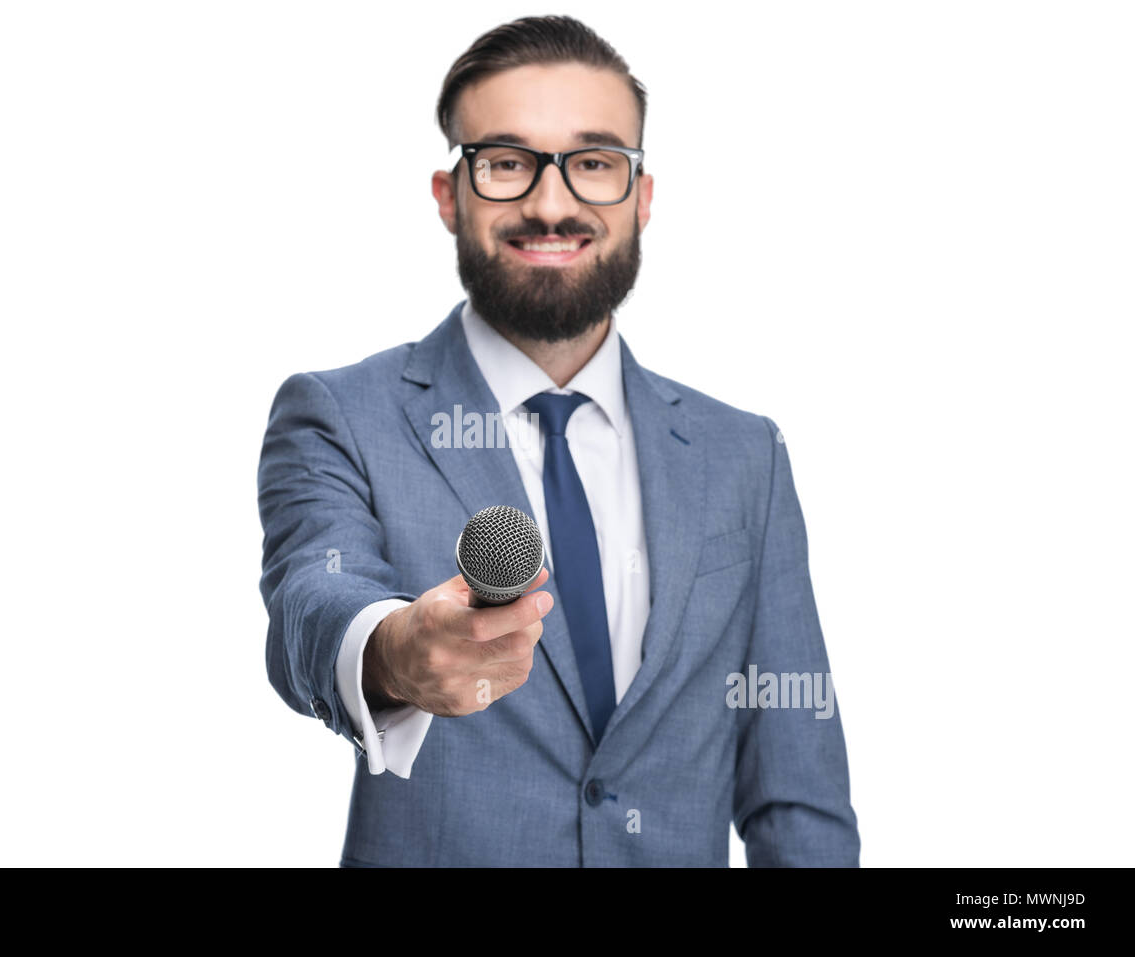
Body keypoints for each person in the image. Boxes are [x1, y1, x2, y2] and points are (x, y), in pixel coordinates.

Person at [257, 15, 860, 867]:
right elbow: (312, 608)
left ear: (642, 196)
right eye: (506, 163)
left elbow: (798, 798)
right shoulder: (340, 413)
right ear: (448, 195)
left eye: (594, 162)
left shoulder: (744, 457)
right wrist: (396, 652)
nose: (551, 203)